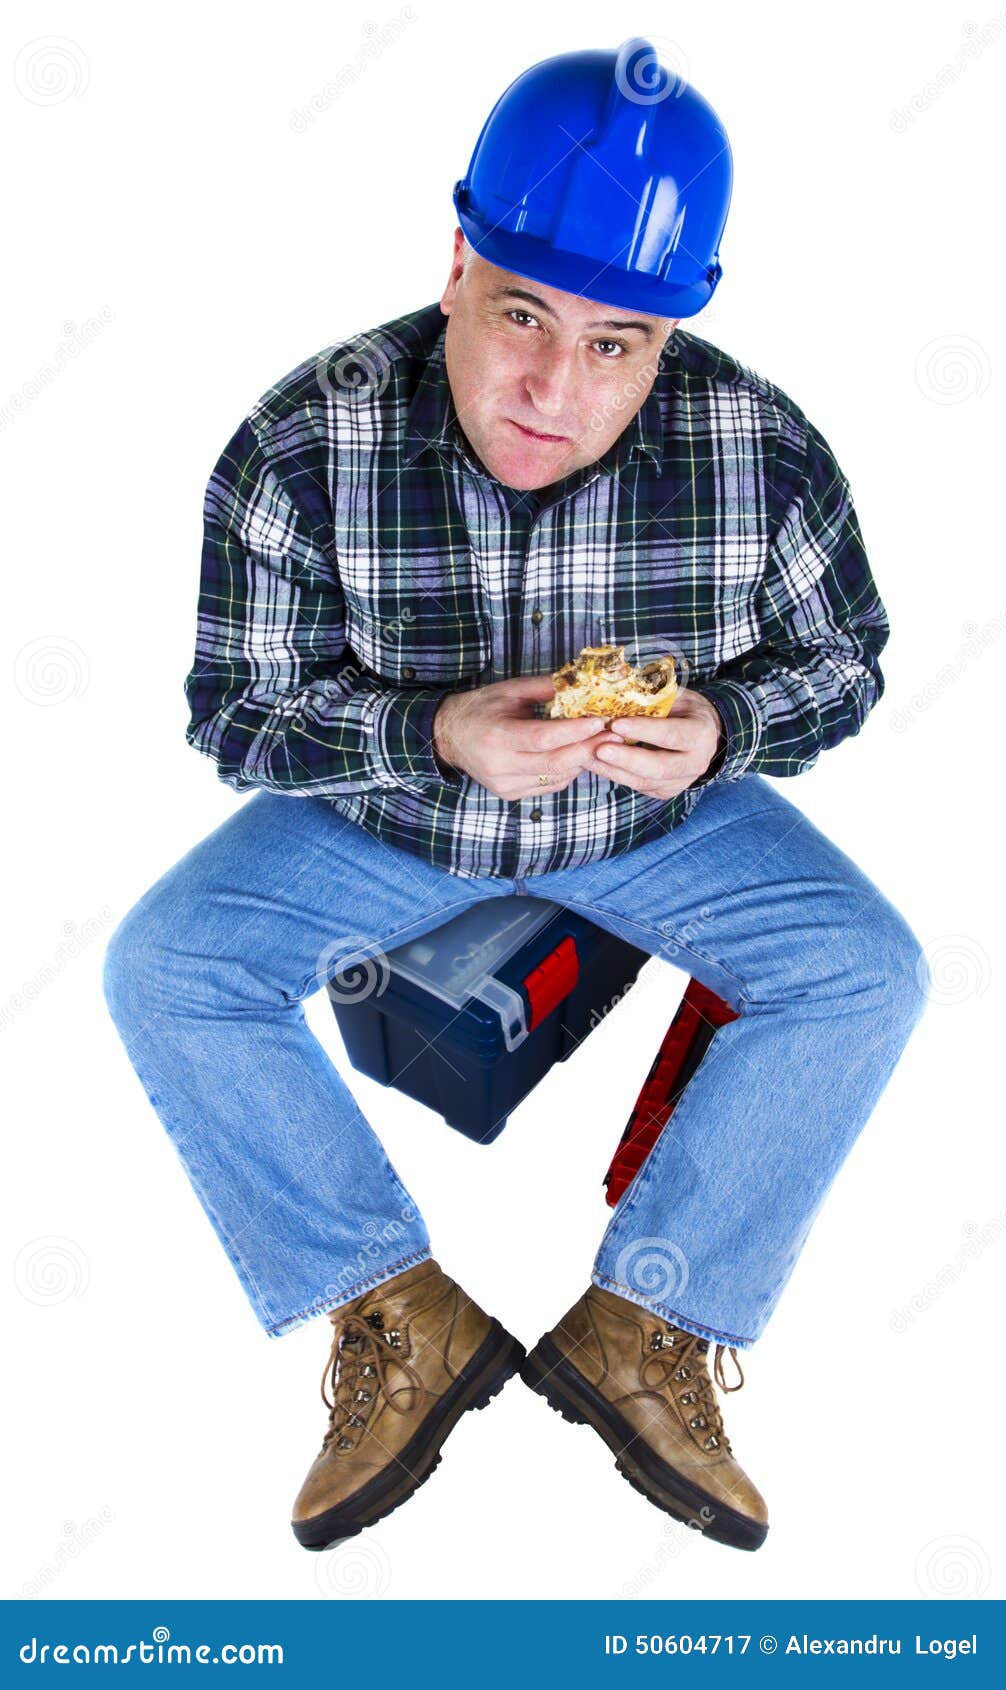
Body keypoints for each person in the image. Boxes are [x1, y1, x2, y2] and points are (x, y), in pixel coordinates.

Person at [101, 39, 928, 1556]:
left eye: (616, 344)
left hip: (653, 822)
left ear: (669, 338)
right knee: (163, 965)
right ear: (457, 266)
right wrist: (426, 733)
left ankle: (645, 1324)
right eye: (522, 315)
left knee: (866, 969)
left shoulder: (761, 447)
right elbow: (235, 719)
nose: (554, 386)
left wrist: (726, 723)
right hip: (392, 820)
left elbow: (847, 666)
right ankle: (394, 1310)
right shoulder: (307, 439)